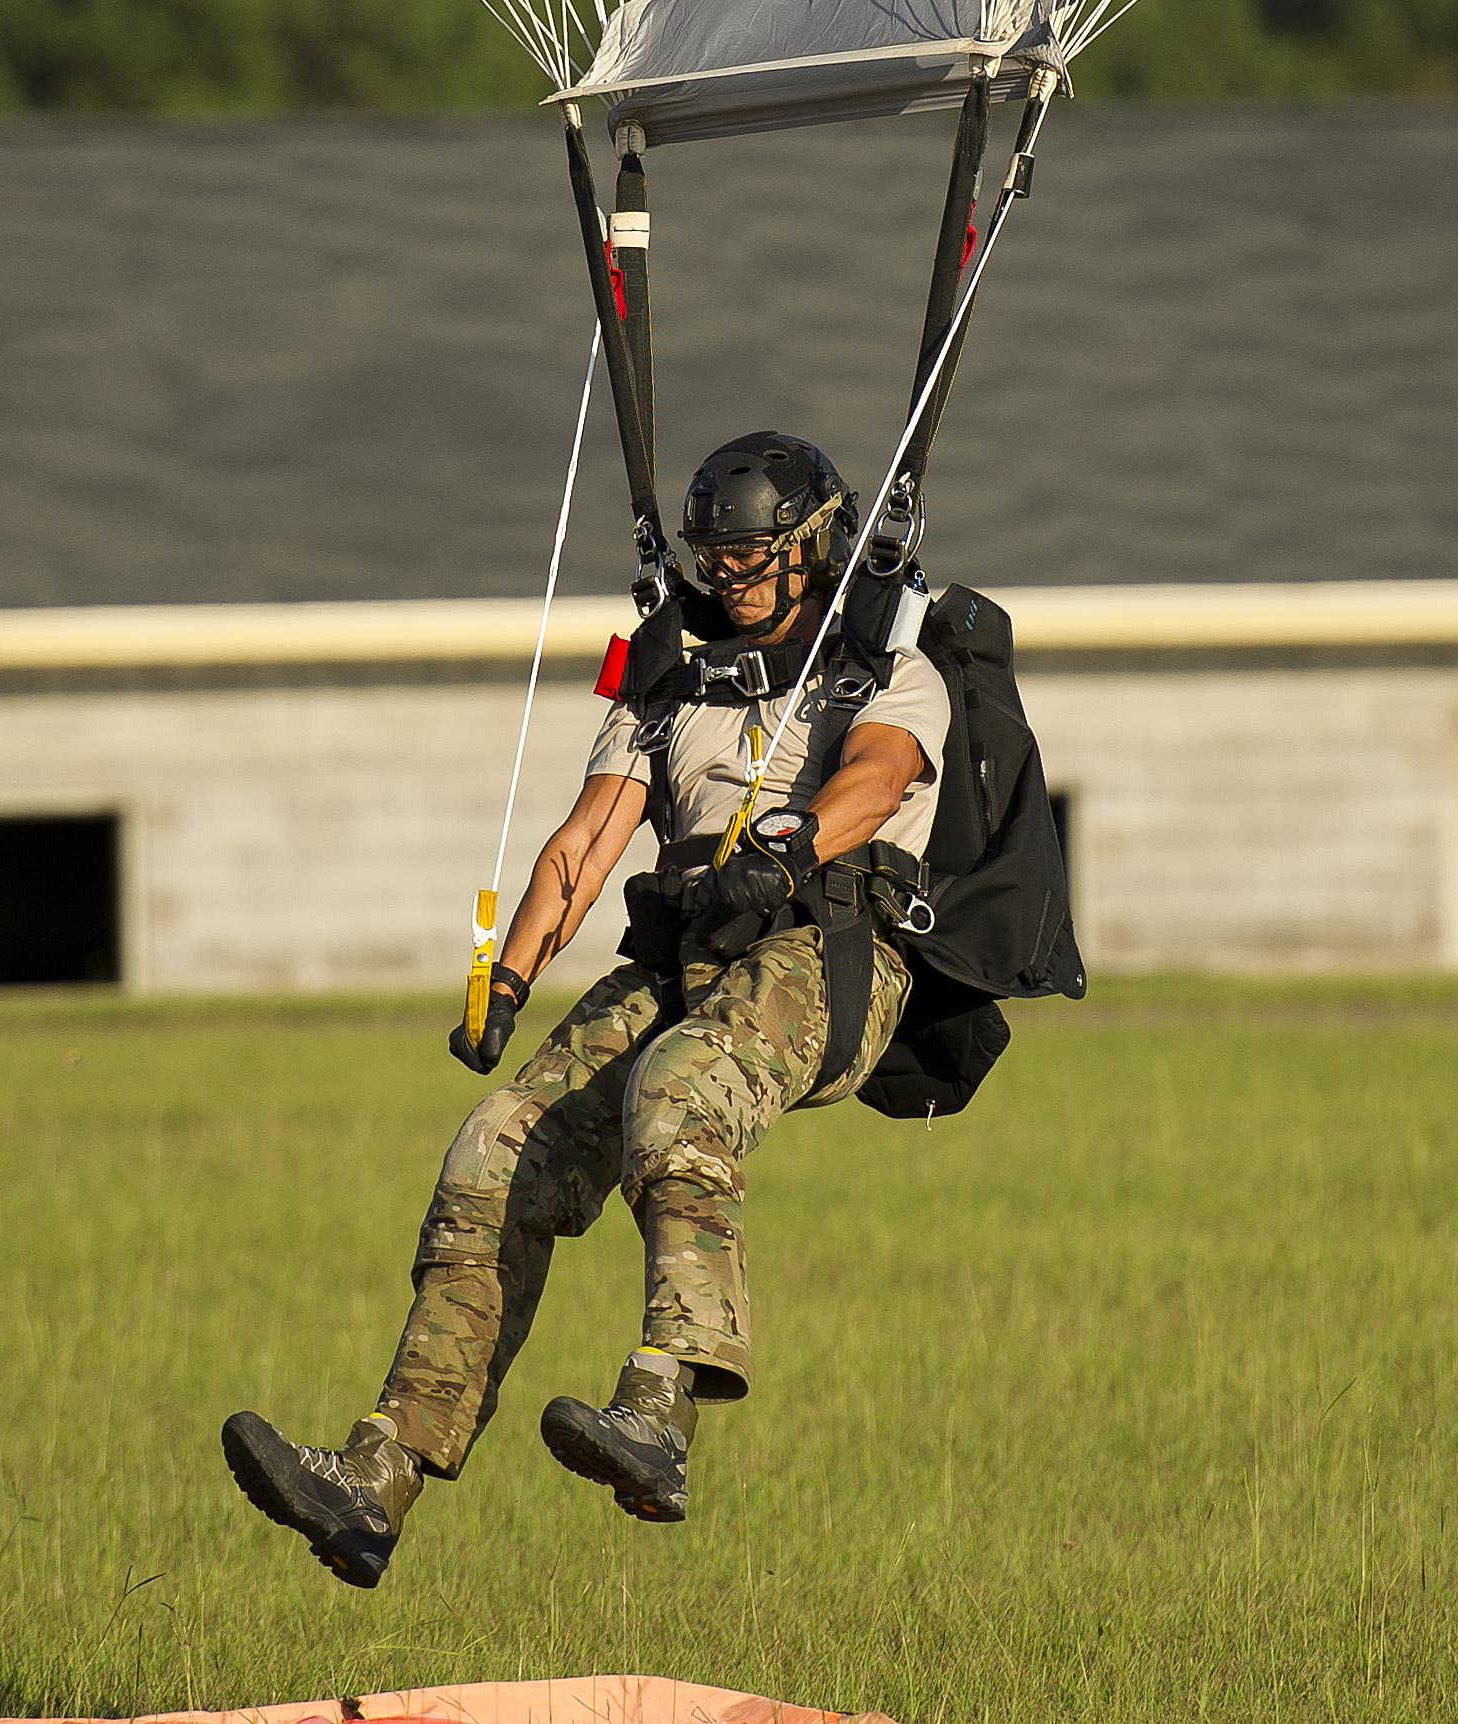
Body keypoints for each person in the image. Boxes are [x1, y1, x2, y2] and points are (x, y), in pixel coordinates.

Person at [222, 429, 951, 1589]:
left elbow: (876, 775)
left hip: (829, 951)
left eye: (754, 558)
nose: (730, 579)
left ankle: (663, 1405)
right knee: (494, 1146)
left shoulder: (888, 661)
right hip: (693, 956)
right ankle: (379, 1476)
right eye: (716, 559)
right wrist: (506, 976)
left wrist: (793, 845)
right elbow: (586, 839)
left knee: (681, 1088)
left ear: (812, 547)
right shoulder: (664, 682)